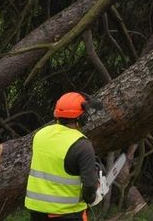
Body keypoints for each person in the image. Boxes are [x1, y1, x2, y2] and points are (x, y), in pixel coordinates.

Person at [24, 92, 102, 221]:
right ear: (82, 118)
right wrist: (93, 196)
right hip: (67, 213)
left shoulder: (40, 135)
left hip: (37, 211)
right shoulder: (82, 145)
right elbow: (89, 185)